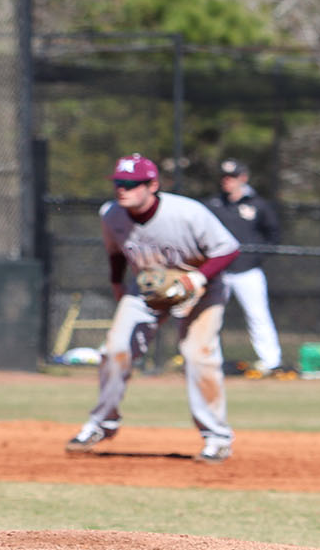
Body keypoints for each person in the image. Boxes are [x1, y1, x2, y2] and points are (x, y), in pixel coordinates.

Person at [68, 153, 241, 463]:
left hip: (200, 287)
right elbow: (116, 253)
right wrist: (118, 286)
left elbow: (228, 249)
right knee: (115, 351)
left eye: (132, 184)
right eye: (119, 183)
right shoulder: (111, 214)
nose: (123, 189)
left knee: (198, 354)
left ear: (153, 185)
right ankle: (101, 423)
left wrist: (196, 280)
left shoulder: (187, 213)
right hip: (147, 288)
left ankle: (216, 438)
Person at [205, 158, 285, 376]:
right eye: (224, 177)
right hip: (219, 272)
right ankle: (212, 361)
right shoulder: (214, 204)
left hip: (248, 271)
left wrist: (255, 258)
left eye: (231, 177)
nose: (226, 182)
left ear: (243, 178)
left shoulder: (257, 204)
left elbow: (273, 234)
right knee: (210, 317)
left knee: (258, 316)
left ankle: (271, 361)